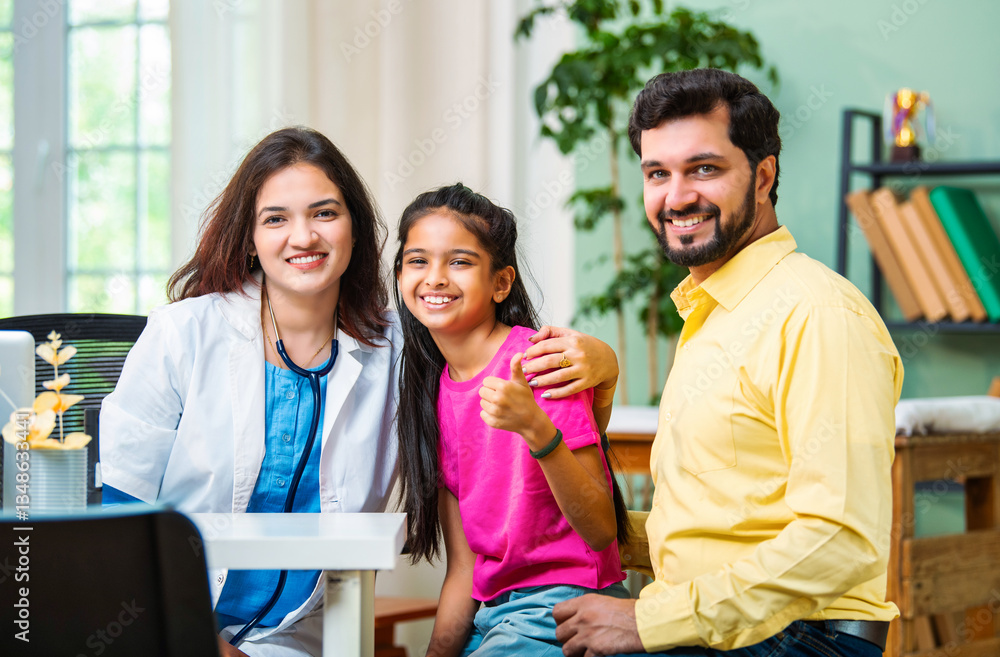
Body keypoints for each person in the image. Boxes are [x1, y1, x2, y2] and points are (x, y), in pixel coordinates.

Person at [99, 128, 618, 657]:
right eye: (276, 219)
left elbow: (490, 343)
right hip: (171, 625)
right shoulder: (181, 333)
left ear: (355, 229)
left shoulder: (403, 346)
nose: (303, 237)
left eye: (324, 213)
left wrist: (604, 361)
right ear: (249, 236)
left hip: (293, 635)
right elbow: (117, 515)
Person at [553, 69, 903, 657]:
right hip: (733, 632)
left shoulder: (816, 313)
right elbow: (730, 523)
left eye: (704, 169)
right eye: (658, 173)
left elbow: (842, 539)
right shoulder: (713, 314)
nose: (677, 196)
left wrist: (647, 621)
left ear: (763, 176)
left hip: (804, 640)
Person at [393, 183, 631, 657]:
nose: (435, 278)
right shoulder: (435, 389)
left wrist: (536, 430)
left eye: (459, 262)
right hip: (494, 611)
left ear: (501, 283)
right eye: (418, 261)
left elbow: (601, 529)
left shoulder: (539, 363)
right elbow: (464, 567)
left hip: (564, 606)